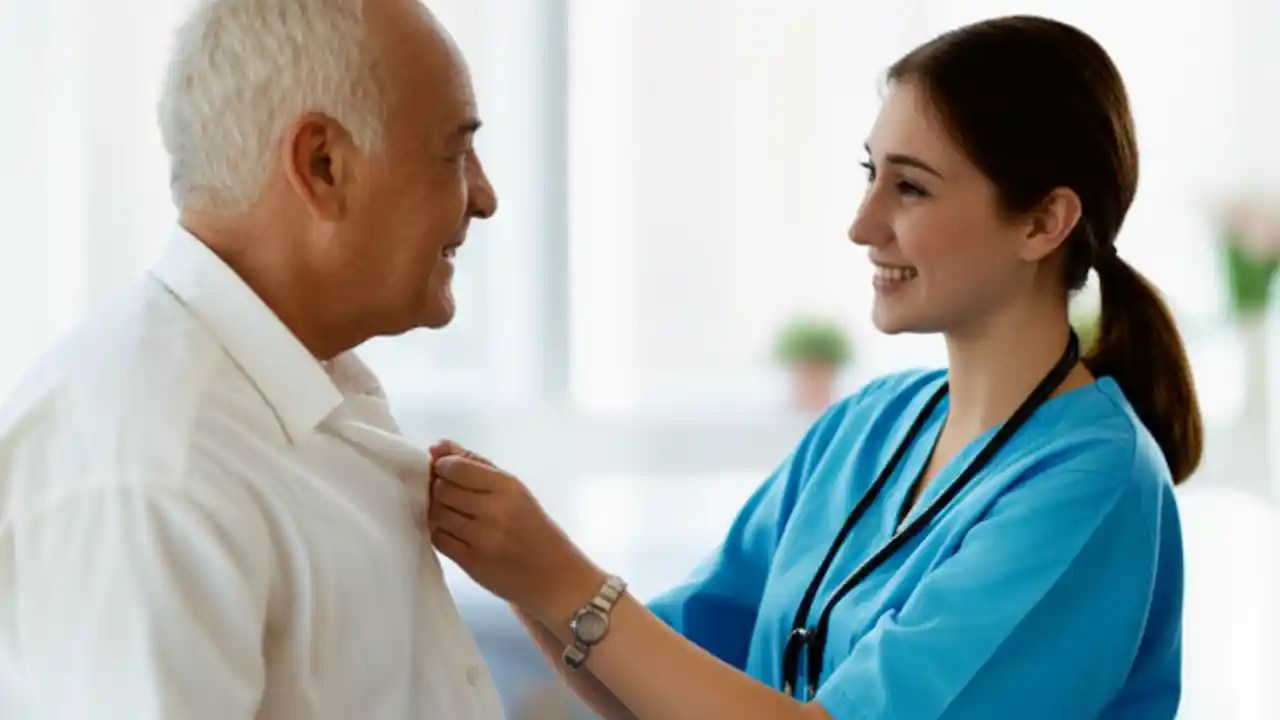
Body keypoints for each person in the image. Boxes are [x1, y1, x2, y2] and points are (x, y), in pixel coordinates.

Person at [427, 15, 1201, 720]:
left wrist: (556, 576)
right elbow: (649, 685)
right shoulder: (865, 429)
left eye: (911, 187)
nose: (863, 224)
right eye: (871, 174)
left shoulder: (1092, 486)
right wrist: (519, 567)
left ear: (1043, 222)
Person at [0, 0, 504, 717]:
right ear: (323, 165)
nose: (484, 198)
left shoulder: (290, 389)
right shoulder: (155, 467)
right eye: (454, 155)